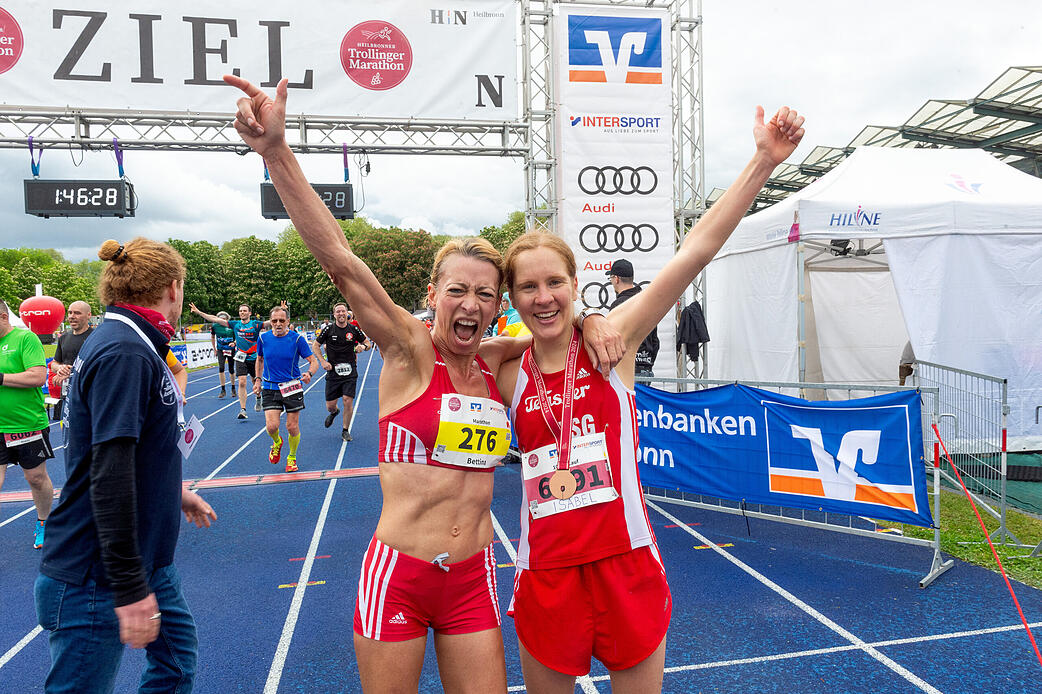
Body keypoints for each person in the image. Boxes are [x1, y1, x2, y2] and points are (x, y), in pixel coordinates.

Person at [225, 74, 623, 694]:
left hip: (473, 578)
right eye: (457, 291)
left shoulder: (497, 363)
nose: (470, 304)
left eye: (485, 295)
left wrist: (594, 316)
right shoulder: (408, 351)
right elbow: (342, 261)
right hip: (400, 577)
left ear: (498, 307)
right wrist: (277, 154)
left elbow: (559, 329)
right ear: (432, 296)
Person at [497, 105, 805, 692]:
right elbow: (420, 339)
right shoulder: (504, 368)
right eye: (528, 286)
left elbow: (693, 253)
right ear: (512, 296)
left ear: (574, 283)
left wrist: (762, 162)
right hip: (547, 571)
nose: (543, 297)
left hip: (624, 560)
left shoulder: (616, 336)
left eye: (555, 282)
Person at [35, 238, 217, 694]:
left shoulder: (131, 342)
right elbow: (109, 473)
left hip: (146, 558)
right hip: (97, 573)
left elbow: (122, 449)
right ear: (173, 288)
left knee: (176, 666)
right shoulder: (125, 353)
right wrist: (130, 587)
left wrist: (171, 489)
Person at [0, 299, 55, 549]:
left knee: (35, 478)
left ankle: (44, 522)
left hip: (26, 424)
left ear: (3, 317)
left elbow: (38, 376)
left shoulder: (25, 338)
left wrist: (1, 378)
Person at [255, 305, 319, 473]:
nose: (278, 324)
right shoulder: (263, 339)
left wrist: (309, 374)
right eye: (274, 321)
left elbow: (314, 361)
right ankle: (277, 442)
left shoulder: (297, 340)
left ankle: (292, 456)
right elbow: (260, 360)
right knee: (272, 426)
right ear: (270, 322)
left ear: (287, 321)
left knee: (291, 426)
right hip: (269, 386)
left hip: (292, 386)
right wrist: (257, 380)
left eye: (281, 321)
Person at [189, 302, 273, 420]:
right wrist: (199, 312)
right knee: (242, 382)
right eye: (240, 311)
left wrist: (283, 312)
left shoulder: (256, 324)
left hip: (254, 358)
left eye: (244, 311)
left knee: (255, 382)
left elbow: (272, 322)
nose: (242, 313)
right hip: (240, 357)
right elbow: (215, 319)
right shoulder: (235, 324)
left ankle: (258, 397)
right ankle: (243, 410)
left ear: (249, 313)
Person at [313, 302, 372, 442]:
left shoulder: (353, 330)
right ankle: (334, 412)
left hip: (350, 371)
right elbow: (315, 345)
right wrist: (322, 361)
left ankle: (345, 430)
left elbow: (368, 343)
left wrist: (363, 347)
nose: (340, 314)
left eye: (343, 311)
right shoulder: (328, 329)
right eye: (338, 311)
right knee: (330, 406)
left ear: (347, 313)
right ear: (334, 314)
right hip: (333, 371)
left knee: (347, 400)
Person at [606, 259, 660, 378]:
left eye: (610, 278)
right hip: (646, 368)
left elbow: (613, 339)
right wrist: (647, 361)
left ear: (616, 279)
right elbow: (655, 340)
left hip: (627, 370)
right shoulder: (647, 302)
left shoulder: (618, 305)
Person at [50, 301, 94, 409]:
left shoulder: (95, 337)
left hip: (89, 395)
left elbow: (98, 367)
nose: (72, 317)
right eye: (70, 313)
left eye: (77, 313)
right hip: (67, 395)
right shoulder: (63, 338)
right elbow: (54, 364)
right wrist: (60, 368)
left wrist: (72, 373)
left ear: (89, 315)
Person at [210, 311, 237, 398]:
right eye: (221, 319)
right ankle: (223, 389)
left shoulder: (231, 326)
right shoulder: (215, 326)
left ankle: (233, 388)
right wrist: (214, 349)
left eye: (224, 319)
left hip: (230, 349)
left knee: (231, 369)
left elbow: (237, 337)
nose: (223, 321)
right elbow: (213, 337)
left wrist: (234, 342)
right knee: (221, 368)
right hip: (221, 350)